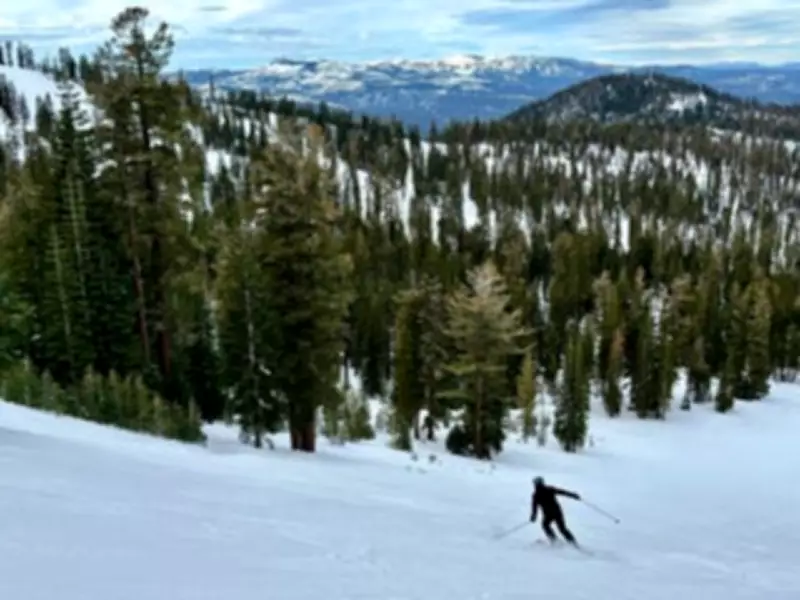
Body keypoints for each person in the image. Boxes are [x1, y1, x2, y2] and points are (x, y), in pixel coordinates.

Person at [530, 476, 580, 546]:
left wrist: (533, 516)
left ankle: (554, 540)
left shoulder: (536, 495)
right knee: (562, 528)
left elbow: (534, 507)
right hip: (556, 512)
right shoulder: (549, 489)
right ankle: (572, 542)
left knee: (546, 525)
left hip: (549, 514)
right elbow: (562, 492)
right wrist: (573, 495)